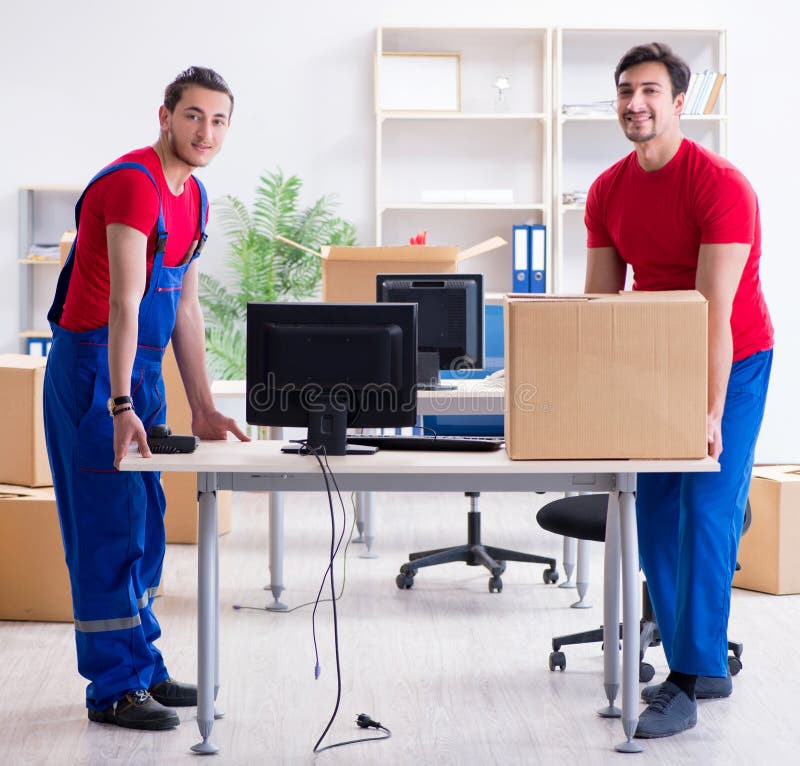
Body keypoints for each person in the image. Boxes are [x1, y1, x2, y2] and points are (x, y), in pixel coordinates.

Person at [43, 66, 249, 731]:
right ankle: (112, 689)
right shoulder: (135, 185)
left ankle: (142, 663)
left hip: (142, 375)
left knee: (146, 523)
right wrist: (122, 405)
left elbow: (185, 308)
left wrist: (203, 404)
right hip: (97, 374)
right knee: (106, 528)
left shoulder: (196, 196)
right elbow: (125, 304)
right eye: (193, 116)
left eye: (218, 120)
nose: (205, 131)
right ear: (165, 117)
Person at [584, 43, 773, 739]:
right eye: (626, 90)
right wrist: (586, 393)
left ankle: (689, 677)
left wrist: (710, 411)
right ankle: (700, 657)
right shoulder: (607, 189)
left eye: (651, 91)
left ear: (679, 103)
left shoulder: (720, 184)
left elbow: (714, 312)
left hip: (734, 356)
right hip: (650, 357)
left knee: (708, 504)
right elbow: (600, 305)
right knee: (654, 508)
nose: (636, 103)